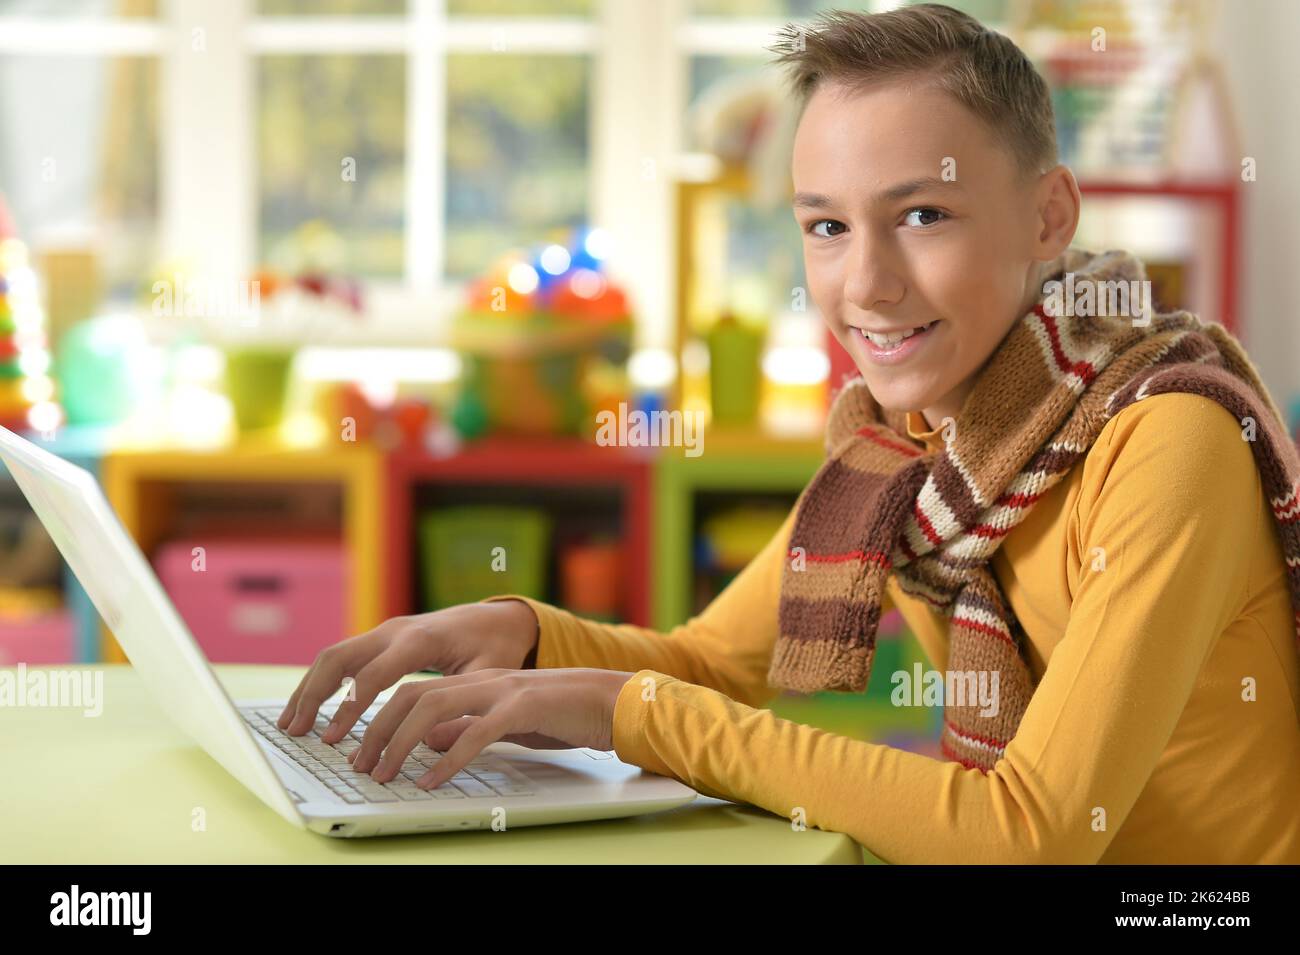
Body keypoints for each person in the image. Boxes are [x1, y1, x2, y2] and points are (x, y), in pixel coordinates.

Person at [278, 4, 1300, 863]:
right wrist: (528, 632)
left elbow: (1029, 834)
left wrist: (636, 710)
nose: (864, 285)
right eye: (827, 225)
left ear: (1048, 217)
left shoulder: (1165, 438)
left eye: (924, 216)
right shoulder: (908, 444)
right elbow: (709, 665)